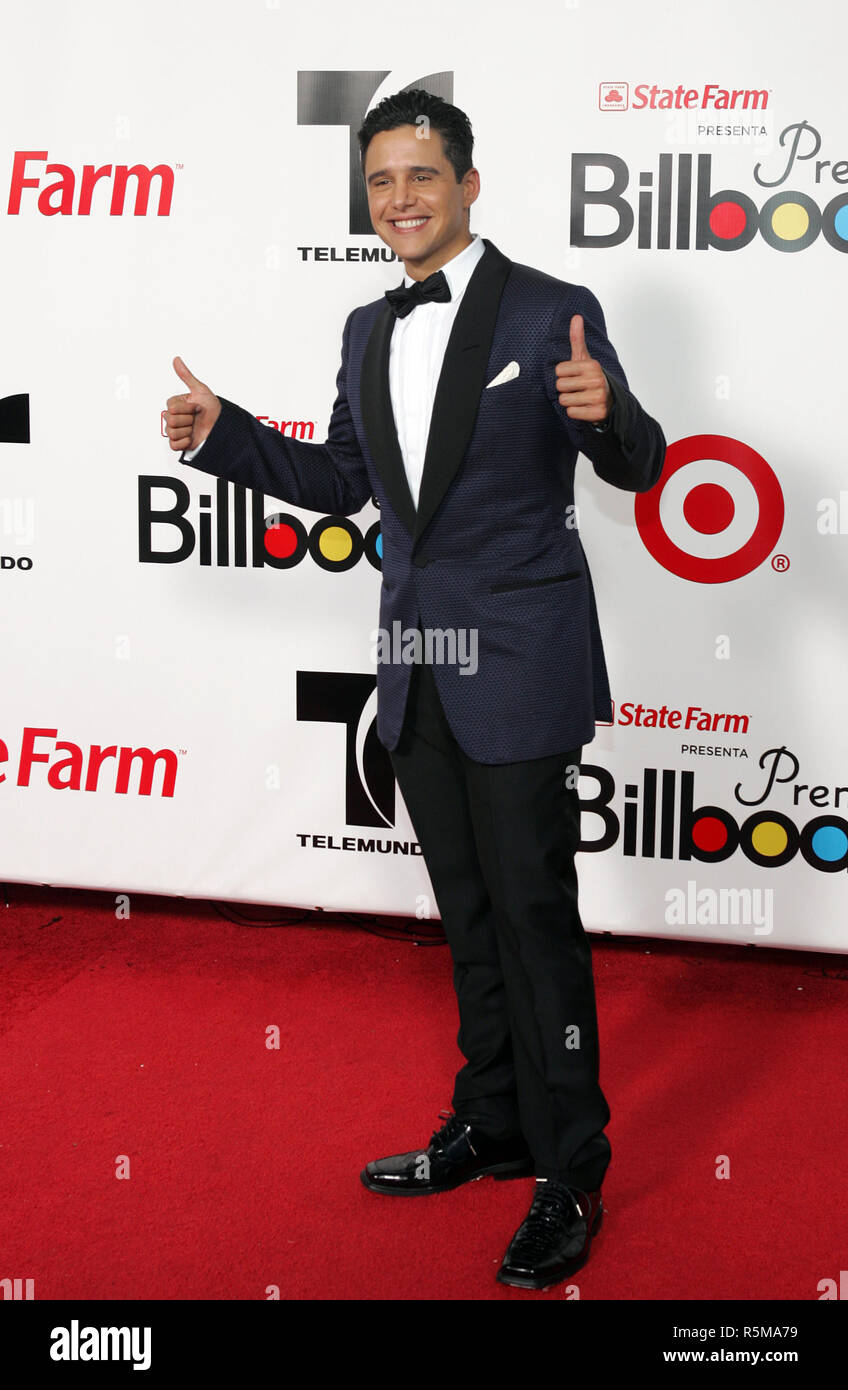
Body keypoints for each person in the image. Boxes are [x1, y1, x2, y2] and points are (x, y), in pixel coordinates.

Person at [164, 88, 666, 1291]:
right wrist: (224, 432)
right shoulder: (363, 326)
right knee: (466, 913)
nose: (398, 199)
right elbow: (343, 481)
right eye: (380, 180)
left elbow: (638, 462)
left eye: (420, 176)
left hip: (522, 656)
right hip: (417, 667)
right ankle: (491, 1118)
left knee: (535, 919)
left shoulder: (552, 311)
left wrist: (612, 422)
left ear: (468, 184)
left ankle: (569, 1167)